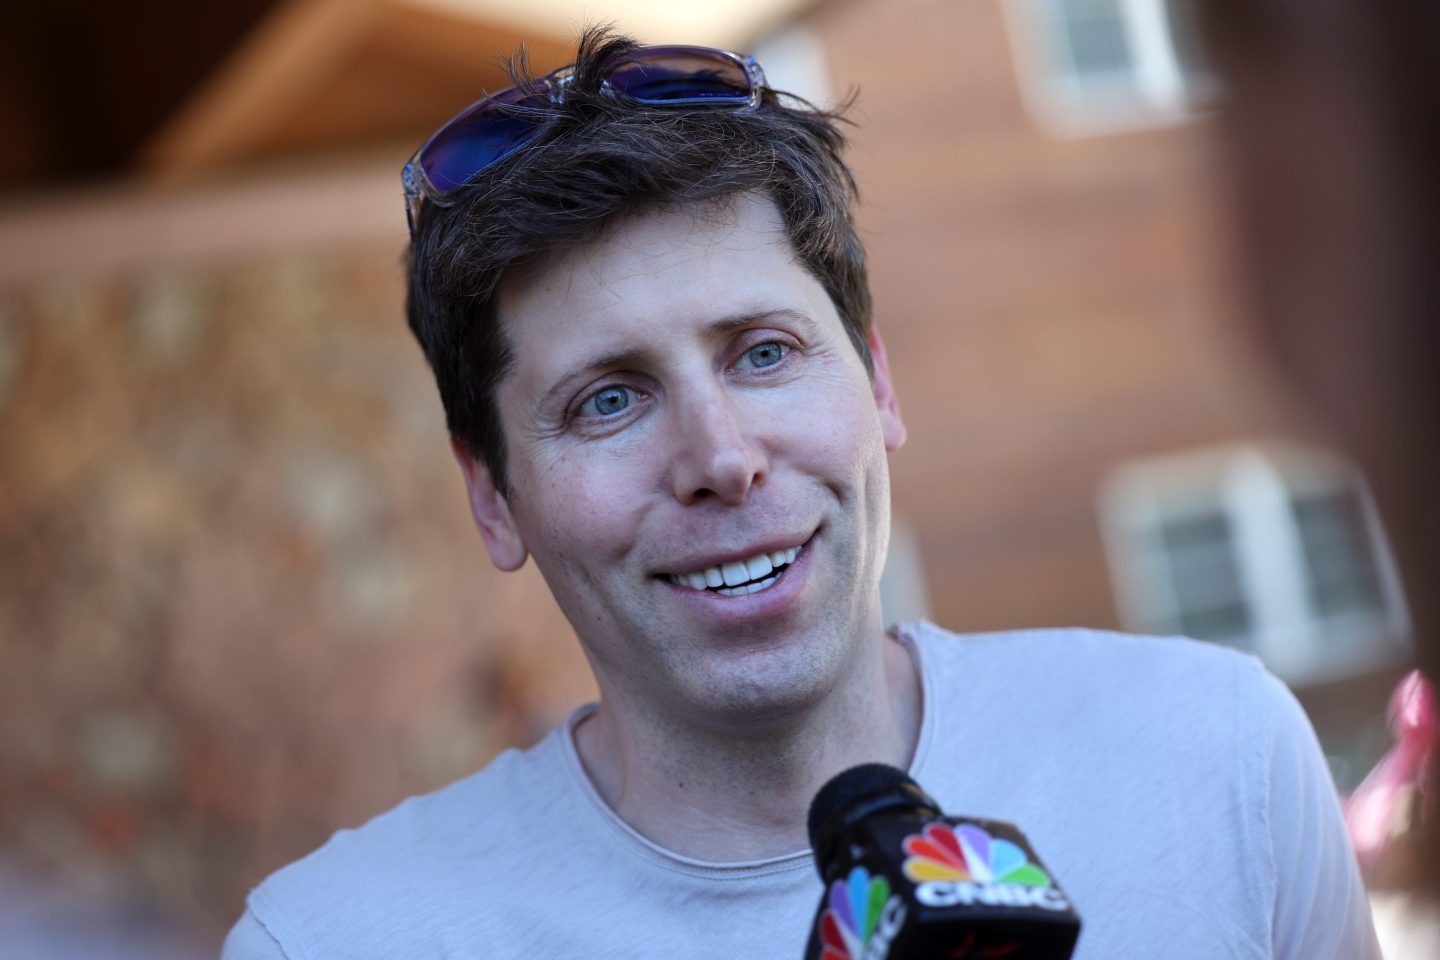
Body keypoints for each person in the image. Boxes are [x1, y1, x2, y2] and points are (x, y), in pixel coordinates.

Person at [221, 28, 1380, 958]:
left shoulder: (1218, 759)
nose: (722, 458)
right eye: (608, 400)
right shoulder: (336, 939)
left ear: (876, 381)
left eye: (763, 352)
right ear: (493, 499)